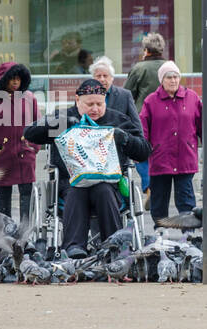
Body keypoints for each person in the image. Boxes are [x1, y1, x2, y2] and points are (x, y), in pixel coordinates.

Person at [23, 77, 150, 258]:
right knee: (77, 191)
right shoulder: (64, 117)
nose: (95, 109)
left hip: (108, 182)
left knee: (103, 190)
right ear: (77, 101)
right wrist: (63, 123)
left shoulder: (117, 120)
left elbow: (144, 151)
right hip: (71, 182)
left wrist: (126, 139)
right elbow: (29, 133)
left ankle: (114, 246)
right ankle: (74, 247)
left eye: (99, 104)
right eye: (89, 104)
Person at [140, 60, 202, 226]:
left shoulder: (192, 98)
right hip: (160, 158)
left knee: (186, 199)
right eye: (169, 77)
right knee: (159, 199)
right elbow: (143, 128)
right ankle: (161, 232)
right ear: (162, 80)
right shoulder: (151, 101)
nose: (173, 80)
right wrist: (142, 149)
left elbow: (202, 125)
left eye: (176, 77)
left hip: (185, 157)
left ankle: (188, 234)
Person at [0, 61, 40, 221]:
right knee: (3, 196)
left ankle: (26, 233)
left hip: (24, 155)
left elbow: (38, 125)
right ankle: (3, 234)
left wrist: (33, 147)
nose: (15, 82)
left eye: (18, 78)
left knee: (27, 195)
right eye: (11, 78)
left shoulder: (29, 98)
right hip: (2, 155)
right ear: (3, 79)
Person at [125, 32, 167, 196]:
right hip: (166, 116)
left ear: (146, 50)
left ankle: (149, 185)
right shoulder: (170, 67)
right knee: (161, 150)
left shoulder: (139, 68)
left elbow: (128, 94)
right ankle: (160, 185)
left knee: (141, 151)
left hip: (143, 116)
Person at [90, 56, 140, 129]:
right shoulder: (84, 96)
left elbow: (136, 123)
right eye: (98, 76)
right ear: (93, 78)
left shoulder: (125, 95)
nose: (102, 79)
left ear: (112, 78)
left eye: (105, 76)